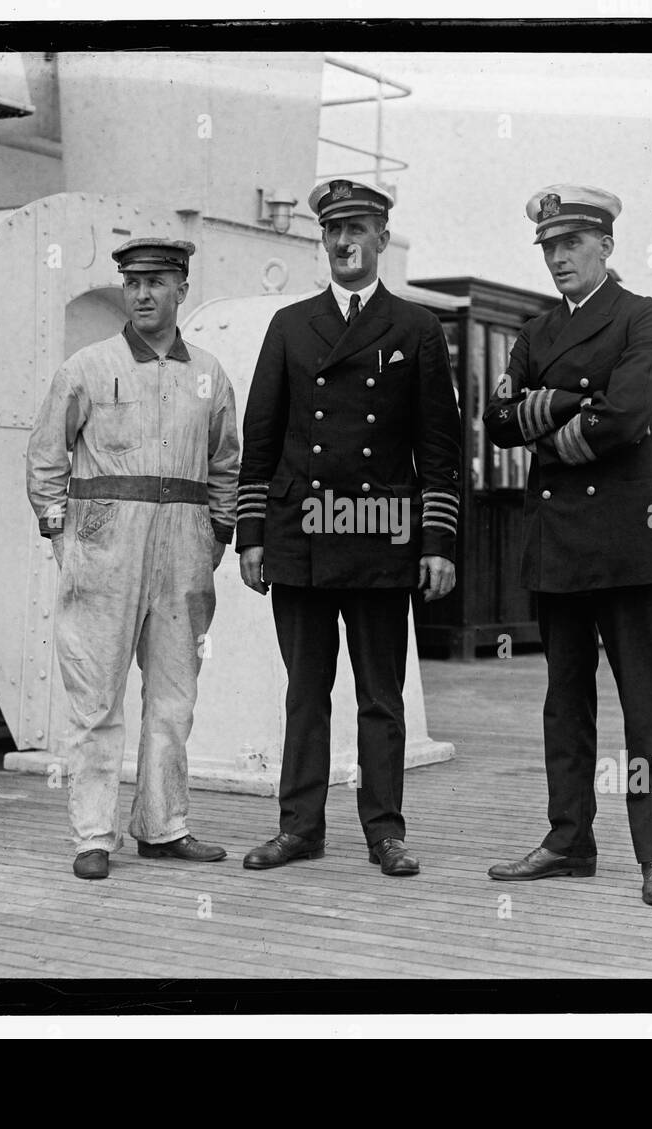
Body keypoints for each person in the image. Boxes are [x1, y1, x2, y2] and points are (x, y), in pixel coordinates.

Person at [236, 177, 462, 878]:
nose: (344, 242)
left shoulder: (416, 328)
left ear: (381, 239)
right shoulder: (290, 325)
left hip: (380, 536)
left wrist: (437, 543)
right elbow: (260, 437)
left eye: (357, 229)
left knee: (380, 698)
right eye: (333, 230)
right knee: (305, 693)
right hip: (300, 536)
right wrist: (251, 535)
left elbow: (440, 447)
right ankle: (299, 828)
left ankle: (385, 831)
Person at [482, 184, 652, 906]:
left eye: (572, 244)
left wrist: (549, 412)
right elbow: (497, 421)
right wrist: (576, 404)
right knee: (564, 702)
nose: (559, 257)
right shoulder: (535, 333)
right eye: (549, 246)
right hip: (558, 540)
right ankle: (569, 841)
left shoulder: (644, 316)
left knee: (644, 706)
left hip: (627, 543)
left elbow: (627, 413)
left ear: (606, 246)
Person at [26, 237, 240, 880]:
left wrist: (216, 534)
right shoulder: (87, 367)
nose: (143, 294)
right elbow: (46, 458)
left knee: (174, 698)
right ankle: (93, 835)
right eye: (133, 283)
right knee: (95, 698)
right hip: (104, 550)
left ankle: (163, 826)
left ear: (181, 290)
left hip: (184, 552)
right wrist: (62, 537)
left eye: (157, 283)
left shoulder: (209, 374)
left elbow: (226, 463)